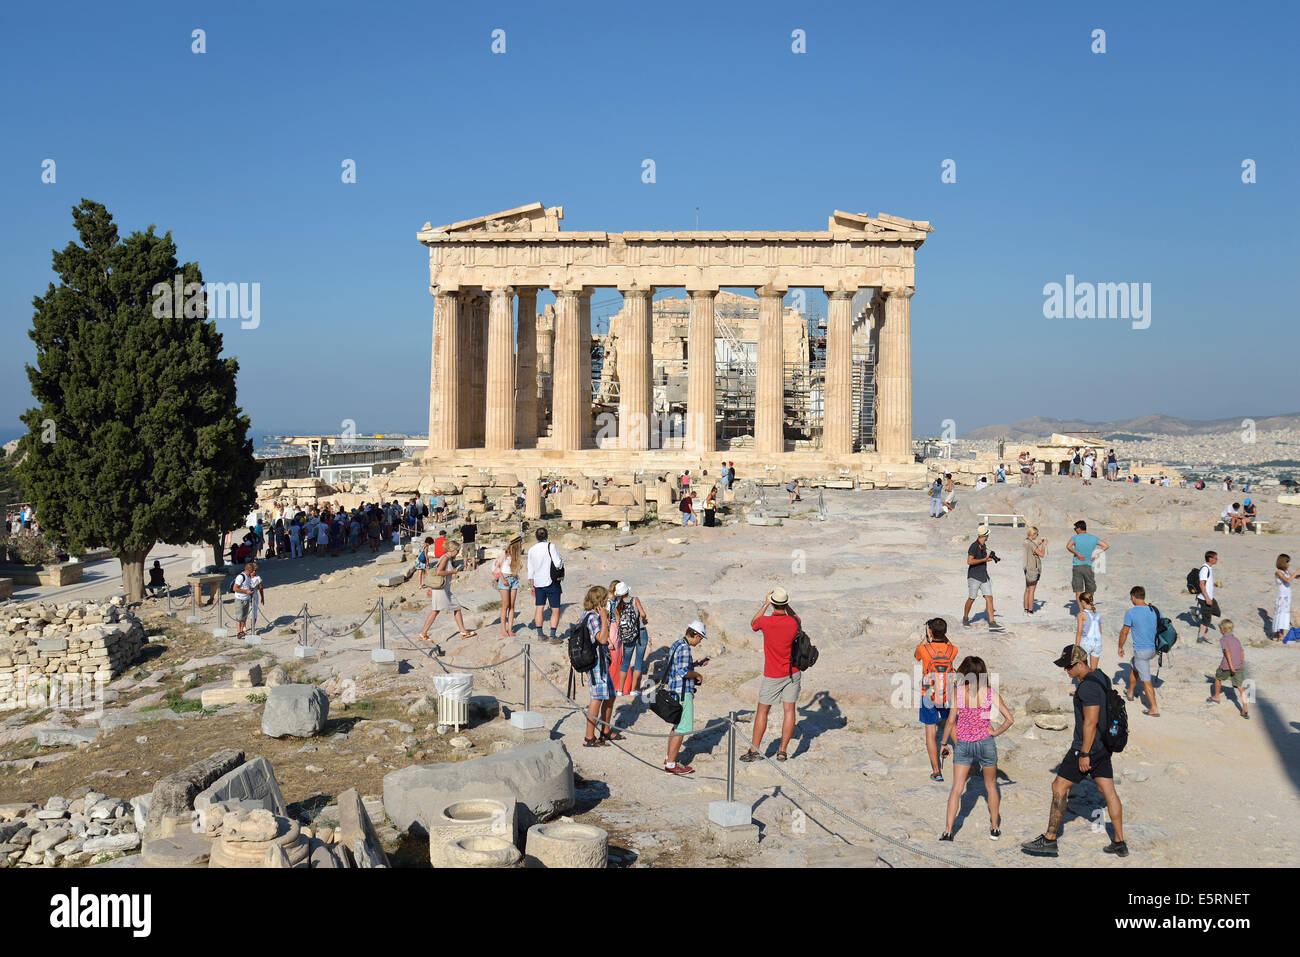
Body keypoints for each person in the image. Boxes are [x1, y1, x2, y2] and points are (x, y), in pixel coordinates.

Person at [1021, 645, 1127, 858]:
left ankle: (1050, 839)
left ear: (1080, 663)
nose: (1066, 670)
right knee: (1109, 792)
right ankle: (1119, 842)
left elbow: (1091, 721)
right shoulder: (1101, 677)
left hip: (1086, 747)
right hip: (1104, 745)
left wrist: (1085, 753)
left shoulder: (1087, 687)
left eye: (1069, 666)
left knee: (1058, 785)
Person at [938, 656, 1013, 841]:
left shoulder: (959, 692)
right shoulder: (989, 693)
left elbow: (950, 721)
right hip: (986, 743)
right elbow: (1010, 719)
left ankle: (948, 831)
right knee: (991, 787)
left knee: (957, 789)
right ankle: (994, 828)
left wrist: (944, 743)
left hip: (963, 743)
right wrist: (996, 733)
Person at [739, 588, 802, 763]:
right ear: (786, 603)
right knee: (789, 711)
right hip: (792, 672)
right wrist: (785, 605)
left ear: (773, 603)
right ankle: (782, 751)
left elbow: (753, 623)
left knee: (762, 711)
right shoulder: (793, 622)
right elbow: (797, 617)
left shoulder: (766, 622)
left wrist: (765, 604)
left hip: (773, 674)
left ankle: (755, 750)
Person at [915, 617, 958, 782]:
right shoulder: (952, 650)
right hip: (947, 693)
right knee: (951, 725)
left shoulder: (923, 649)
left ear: (930, 631)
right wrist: (940, 635)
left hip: (928, 694)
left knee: (930, 733)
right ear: (946, 632)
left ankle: (936, 772)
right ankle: (965, 763)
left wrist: (927, 636)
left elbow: (916, 655)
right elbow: (950, 646)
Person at [663, 620, 707, 773]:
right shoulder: (685, 648)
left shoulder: (678, 644)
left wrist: (694, 664)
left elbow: (676, 666)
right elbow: (683, 673)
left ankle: (670, 758)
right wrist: (697, 674)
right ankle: (671, 764)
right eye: (700, 637)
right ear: (694, 634)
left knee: (676, 727)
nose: (700, 640)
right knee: (682, 728)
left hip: (675, 690)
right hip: (683, 692)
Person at [578, 585, 616, 747]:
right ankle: (589, 737)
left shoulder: (588, 614)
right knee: (597, 698)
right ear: (600, 602)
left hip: (601, 663)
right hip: (596, 664)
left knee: (611, 694)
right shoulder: (594, 617)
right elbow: (601, 639)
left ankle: (605, 730)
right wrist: (603, 618)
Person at [417, 541, 475, 644]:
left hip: (444, 589)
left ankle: (462, 632)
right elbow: (439, 572)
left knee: (454, 608)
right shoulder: (445, 558)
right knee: (437, 610)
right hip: (441, 589)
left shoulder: (446, 557)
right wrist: (453, 572)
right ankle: (423, 634)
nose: (458, 552)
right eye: (457, 550)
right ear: (453, 550)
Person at [1117, 585, 1159, 717]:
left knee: (1146, 680)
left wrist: (1120, 646)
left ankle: (1154, 708)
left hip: (1142, 651)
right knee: (1133, 665)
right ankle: (1130, 692)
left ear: (1133, 597)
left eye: (1131, 598)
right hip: (1154, 649)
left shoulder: (1131, 612)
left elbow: (1124, 631)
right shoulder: (1154, 610)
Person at [612, 581, 650, 696]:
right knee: (638, 662)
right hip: (641, 633)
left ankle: (620, 690)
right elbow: (643, 614)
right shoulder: (635, 600)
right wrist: (643, 621)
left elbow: (618, 624)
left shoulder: (617, 607)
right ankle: (633, 690)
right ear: (628, 591)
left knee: (625, 663)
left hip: (628, 636)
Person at [527, 527, 564, 642]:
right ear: (547, 536)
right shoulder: (551, 546)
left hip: (538, 582)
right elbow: (558, 563)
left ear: (536, 537)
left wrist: (531, 585)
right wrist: (561, 562)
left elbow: (530, 569)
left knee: (539, 607)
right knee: (555, 609)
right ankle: (552, 636)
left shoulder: (531, 549)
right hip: (551, 581)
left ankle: (540, 634)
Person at [1209, 619, 1249, 719]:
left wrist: (1231, 666)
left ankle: (1217, 697)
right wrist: (1240, 664)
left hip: (1227, 665)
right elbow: (1242, 653)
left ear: (1223, 630)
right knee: (1240, 687)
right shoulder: (1236, 639)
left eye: (1220, 629)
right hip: (1238, 665)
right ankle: (1245, 708)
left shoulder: (1223, 640)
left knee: (1218, 677)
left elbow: (1227, 652)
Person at [962, 525, 999, 630]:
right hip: (974, 576)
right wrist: (984, 560)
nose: (989, 536)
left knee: (989, 597)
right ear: (985, 535)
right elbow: (969, 561)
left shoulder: (983, 545)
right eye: (988, 534)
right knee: (972, 598)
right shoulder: (974, 546)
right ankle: (965, 617)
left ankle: (992, 621)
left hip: (983, 575)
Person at [1066, 520, 1107, 609]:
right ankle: (1088, 608)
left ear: (1079, 528)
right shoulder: (1093, 537)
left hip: (1077, 566)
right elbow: (1106, 546)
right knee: (1090, 589)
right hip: (1089, 566)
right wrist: (1095, 554)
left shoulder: (1075, 538)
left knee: (1078, 590)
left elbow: (1068, 546)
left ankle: (1081, 611)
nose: (1075, 530)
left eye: (1075, 528)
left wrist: (1077, 554)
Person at [493, 534, 523, 638]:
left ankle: (510, 629)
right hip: (505, 579)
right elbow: (497, 567)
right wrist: (503, 579)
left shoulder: (517, 554)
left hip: (514, 578)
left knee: (512, 605)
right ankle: (503, 629)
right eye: (520, 542)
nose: (522, 543)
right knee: (505, 605)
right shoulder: (505, 553)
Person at [231, 561, 263, 639]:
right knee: (239, 616)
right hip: (240, 598)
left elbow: (260, 587)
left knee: (244, 616)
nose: (253, 572)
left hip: (247, 598)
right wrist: (246, 591)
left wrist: (251, 592)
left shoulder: (249, 577)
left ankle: (242, 631)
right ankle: (239, 632)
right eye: (252, 571)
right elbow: (235, 588)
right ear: (249, 570)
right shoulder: (241, 576)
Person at [1074, 591, 1103, 672]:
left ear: (1083, 602)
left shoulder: (1081, 614)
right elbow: (1100, 631)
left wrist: (1077, 645)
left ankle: (1083, 684)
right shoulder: (1097, 614)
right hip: (1097, 643)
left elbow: (1079, 631)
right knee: (1093, 669)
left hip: (1086, 642)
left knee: (1081, 669)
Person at [1196, 550, 1220, 643]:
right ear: (1210, 559)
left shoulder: (1209, 568)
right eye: (1215, 558)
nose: (1217, 560)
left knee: (1217, 611)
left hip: (1209, 597)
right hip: (1205, 598)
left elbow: (1206, 582)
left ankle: (1197, 611)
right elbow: (1201, 584)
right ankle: (1200, 638)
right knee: (1207, 619)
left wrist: (1213, 584)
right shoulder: (1205, 569)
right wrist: (1207, 598)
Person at [1023, 526, 1046, 614]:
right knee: (1032, 590)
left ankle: (1026, 608)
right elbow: (1042, 554)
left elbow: (1032, 548)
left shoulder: (1026, 541)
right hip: (1033, 568)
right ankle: (1030, 610)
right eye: (1037, 534)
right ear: (1033, 534)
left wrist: (1039, 543)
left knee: (1027, 589)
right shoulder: (1032, 544)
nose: (1037, 535)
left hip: (1026, 567)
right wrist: (1043, 545)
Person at [1274, 554, 1295, 642]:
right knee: (1280, 614)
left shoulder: (1286, 571)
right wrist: (1296, 573)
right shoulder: (1278, 572)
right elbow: (1288, 580)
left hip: (1287, 597)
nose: (1289, 564)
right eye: (1287, 562)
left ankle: (1279, 634)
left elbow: (1294, 577)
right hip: (1282, 597)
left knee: (1284, 615)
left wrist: (1297, 574)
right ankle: (1279, 634)